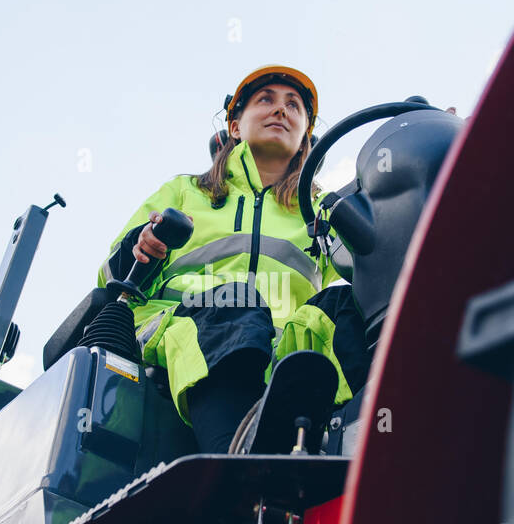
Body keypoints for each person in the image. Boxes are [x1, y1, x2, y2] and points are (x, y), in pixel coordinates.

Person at [97, 65, 372, 453]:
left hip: (280, 353)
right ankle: (236, 459)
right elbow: (110, 274)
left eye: (293, 105)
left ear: (306, 137)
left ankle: (366, 453)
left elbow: (378, 257)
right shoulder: (185, 191)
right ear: (236, 127)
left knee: (346, 308)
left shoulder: (321, 211)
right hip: (179, 326)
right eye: (266, 100)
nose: (281, 110)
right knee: (235, 302)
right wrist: (141, 245)